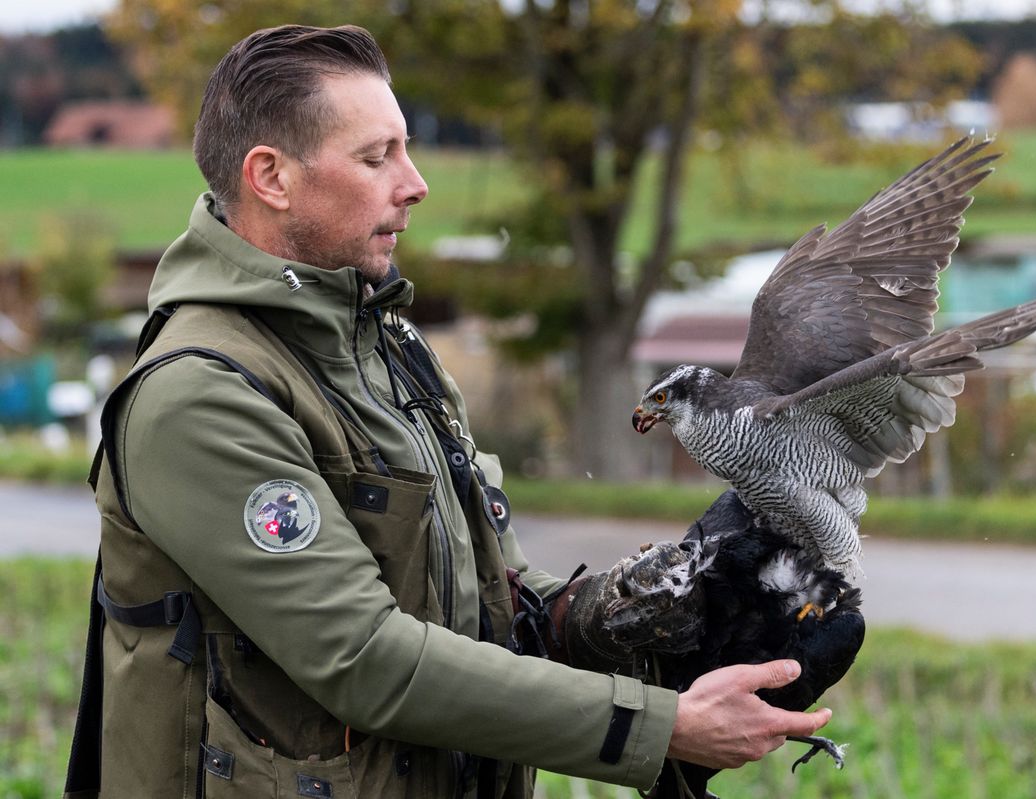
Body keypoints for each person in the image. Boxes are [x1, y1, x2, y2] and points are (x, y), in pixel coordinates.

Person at [63, 24, 835, 799]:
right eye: (377, 157)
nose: (415, 182)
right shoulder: (202, 393)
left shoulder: (387, 343)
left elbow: (474, 580)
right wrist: (657, 726)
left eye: (406, 148)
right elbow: (363, 657)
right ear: (271, 177)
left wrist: (599, 609)